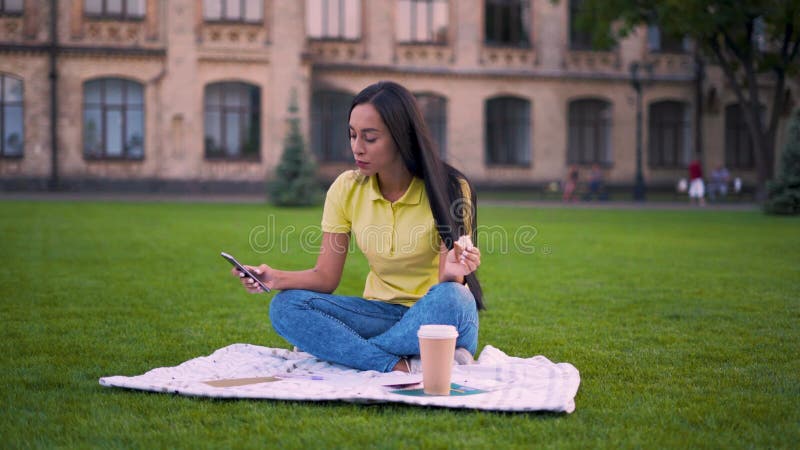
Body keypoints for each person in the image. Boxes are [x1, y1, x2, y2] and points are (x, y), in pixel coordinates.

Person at [232, 81, 483, 373]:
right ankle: (398, 363)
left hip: (440, 315)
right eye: (352, 135)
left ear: (401, 137)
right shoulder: (346, 188)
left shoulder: (450, 187)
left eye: (370, 138)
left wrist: (454, 275)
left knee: (452, 297)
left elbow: (448, 289)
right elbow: (325, 277)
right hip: (380, 313)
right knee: (285, 307)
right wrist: (274, 278)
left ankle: (353, 351)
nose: (356, 147)